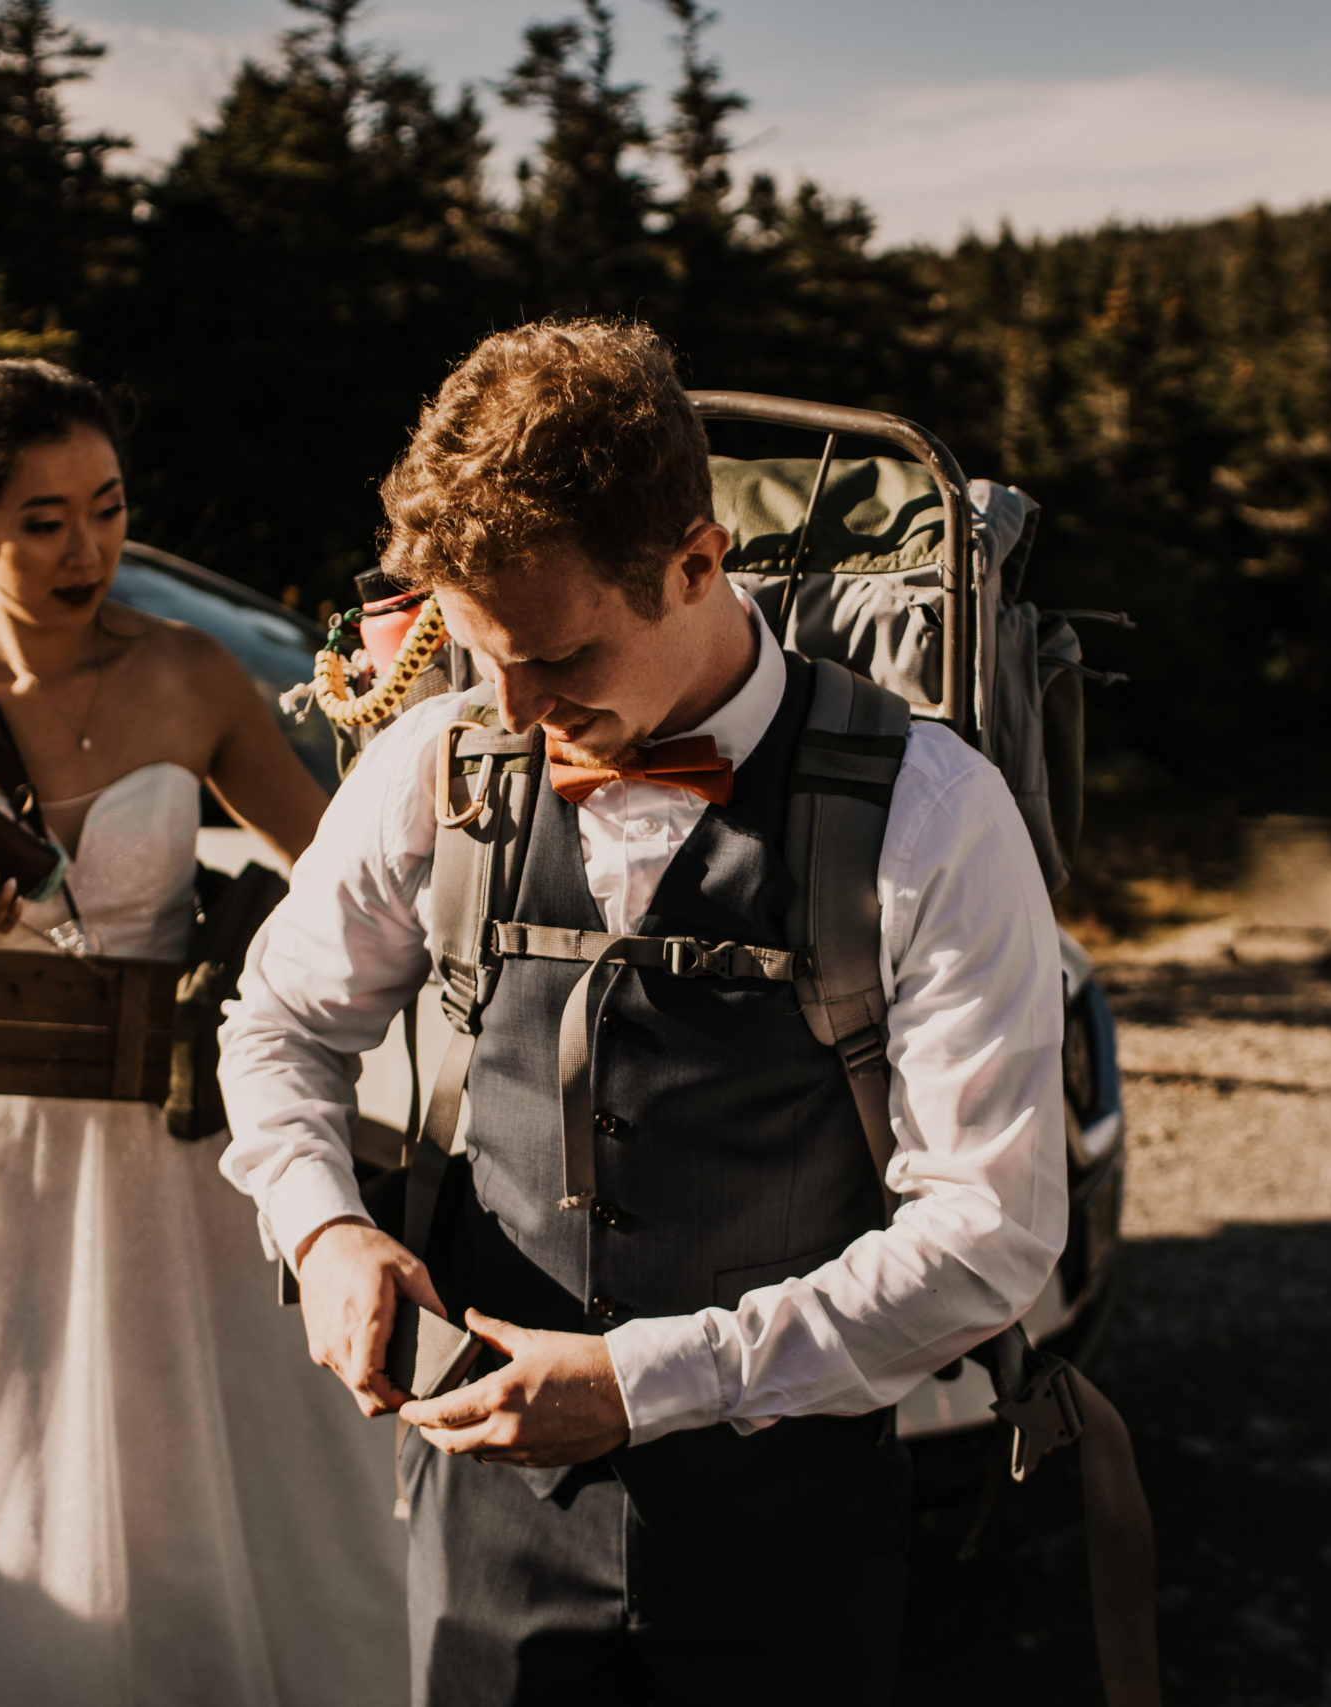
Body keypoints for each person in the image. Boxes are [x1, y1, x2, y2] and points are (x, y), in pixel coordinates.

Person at [218, 319, 1066, 1704]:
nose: (514, 705)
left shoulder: (933, 813)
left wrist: (643, 1382)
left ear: (695, 561)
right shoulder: (442, 763)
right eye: (484, 655)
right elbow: (277, 1024)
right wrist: (321, 1231)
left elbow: (992, 1234)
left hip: (787, 1546)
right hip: (475, 1529)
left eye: (557, 655)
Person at [0, 358, 407, 1706]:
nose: (87, 549)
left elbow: (346, 871)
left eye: (107, 508)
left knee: (198, 1486)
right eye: (43, 520)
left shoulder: (191, 672)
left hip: (178, 1148)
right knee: (3, 1477)